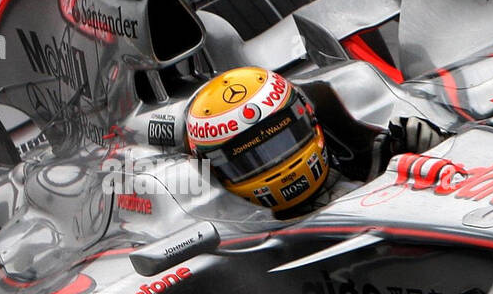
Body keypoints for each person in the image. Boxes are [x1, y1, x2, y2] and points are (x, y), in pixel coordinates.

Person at [184, 66, 445, 215]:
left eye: (284, 141)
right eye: (249, 161)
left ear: (309, 119)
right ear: (214, 171)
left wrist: (438, 147)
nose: (278, 165)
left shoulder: (377, 159)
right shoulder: (219, 229)